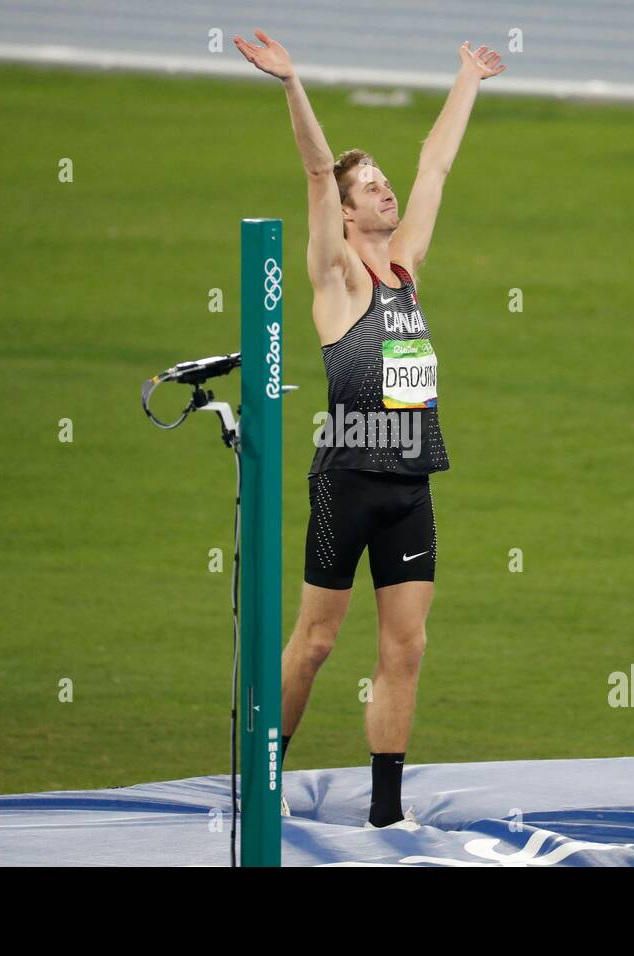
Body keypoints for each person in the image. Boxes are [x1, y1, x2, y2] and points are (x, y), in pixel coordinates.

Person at [234, 28, 504, 829]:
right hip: (346, 482)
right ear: (347, 215)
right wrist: (291, 82)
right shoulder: (338, 276)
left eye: (387, 186)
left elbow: (437, 164)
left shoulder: (406, 263)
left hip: (411, 485)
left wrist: (467, 80)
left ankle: (386, 815)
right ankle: (263, 776)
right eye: (373, 190)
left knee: (406, 649)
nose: (387, 194)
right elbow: (318, 170)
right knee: (315, 643)